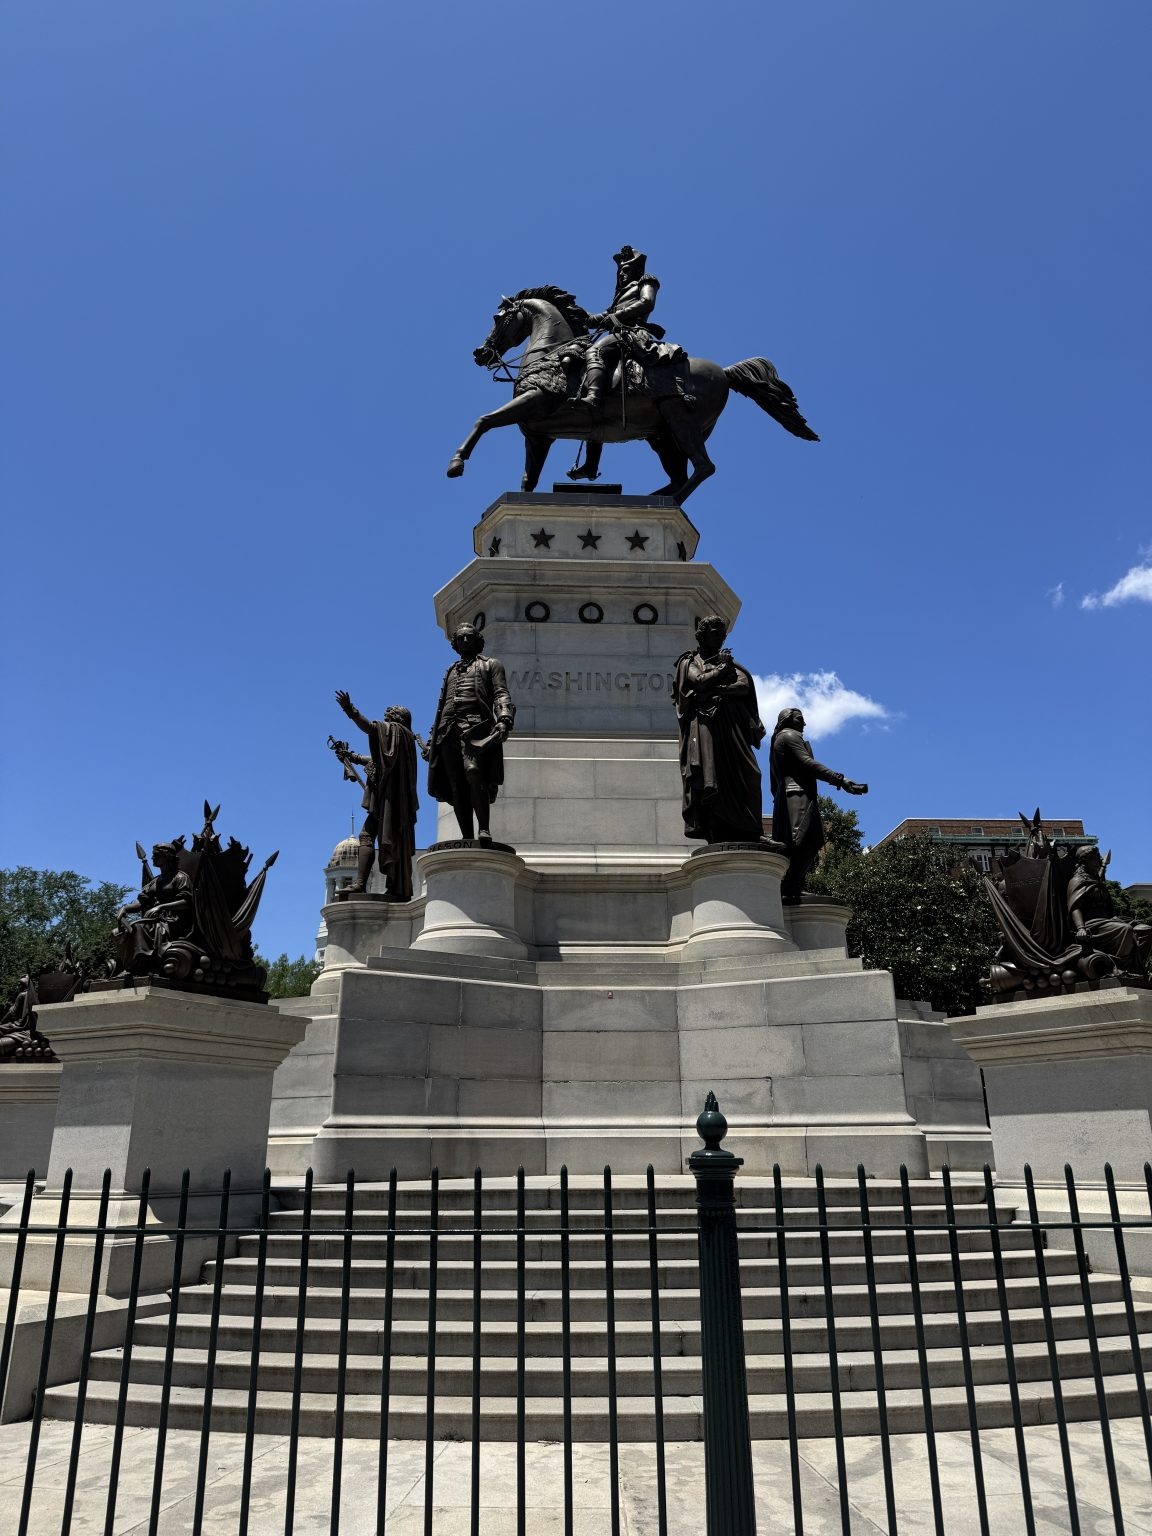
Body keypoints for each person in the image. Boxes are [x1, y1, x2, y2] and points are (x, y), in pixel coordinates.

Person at [567, 245, 691, 480]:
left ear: (636, 268)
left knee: (595, 351)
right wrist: (587, 318)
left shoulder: (647, 281)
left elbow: (646, 304)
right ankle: (590, 465)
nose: (622, 273)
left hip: (632, 334)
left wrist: (614, 317)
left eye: (626, 269)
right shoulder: (619, 294)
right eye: (620, 271)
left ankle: (592, 398)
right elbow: (605, 315)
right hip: (618, 334)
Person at [672, 615, 765, 844]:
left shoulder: (731, 663)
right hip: (707, 729)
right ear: (701, 635)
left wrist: (718, 688)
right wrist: (722, 670)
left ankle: (753, 832)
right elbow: (700, 682)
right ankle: (717, 833)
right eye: (715, 633)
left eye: (723, 635)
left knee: (751, 774)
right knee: (712, 779)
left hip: (733, 729)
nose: (720, 638)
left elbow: (744, 686)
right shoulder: (688, 662)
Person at [426, 623, 515, 842]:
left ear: (478, 641)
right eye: (461, 638)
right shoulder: (450, 670)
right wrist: (431, 740)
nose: (465, 641)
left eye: (469, 637)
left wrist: (504, 718)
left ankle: (483, 829)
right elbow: (442, 706)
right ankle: (466, 837)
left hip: (475, 729)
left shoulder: (491, 665)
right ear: (455, 643)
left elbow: (500, 693)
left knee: (474, 773)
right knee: (456, 785)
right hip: (447, 732)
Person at [770, 709, 867, 902]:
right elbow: (808, 763)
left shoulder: (783, 739)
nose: (804, 724)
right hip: (795, 793)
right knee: (803, 839)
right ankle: (790, 886)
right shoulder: (789, 736)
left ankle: (792, 885)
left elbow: (775, 778)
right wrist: (840, 780)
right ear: (787, 720)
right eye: (800, 719)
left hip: (794, 794)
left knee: (809, 840)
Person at [332, 696, 421, 900]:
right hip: (390, 800)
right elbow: (376, 761)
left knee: (370, 836)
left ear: (397, 718)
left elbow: (370, 728)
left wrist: (350, 710)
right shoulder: (404, 741)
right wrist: (351, 756)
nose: (385, 719)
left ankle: (362, 885)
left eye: (389, 716)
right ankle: (370, 885)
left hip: (390, 801)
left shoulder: (397, 732)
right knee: (369, 836)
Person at [1067, 845, 1152, 978]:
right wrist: (1081, 928)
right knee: (1126, 929)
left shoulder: (1096, 879)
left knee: (1146, 930)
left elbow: (1101, 874)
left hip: (1109, 920)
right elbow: (1074, 907)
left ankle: (1137, 968)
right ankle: (1121, 967)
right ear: (1086, 860)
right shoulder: (1077, 881)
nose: (1100, 859)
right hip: (1092, 924)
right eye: (1096, 857)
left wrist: (1103, 868)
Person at [115, 841, 196, 972]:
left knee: (139, 928)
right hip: (155, 921)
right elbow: (143, 903)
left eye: (156, 855)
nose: (153, 858)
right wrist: (125, 908)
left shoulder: (180, 878)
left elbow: (186, 902)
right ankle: (128, 965)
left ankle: (140, 967)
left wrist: (160, 907)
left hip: (174, 922)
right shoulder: (155, 881)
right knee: (119, 932)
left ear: (166, 856)